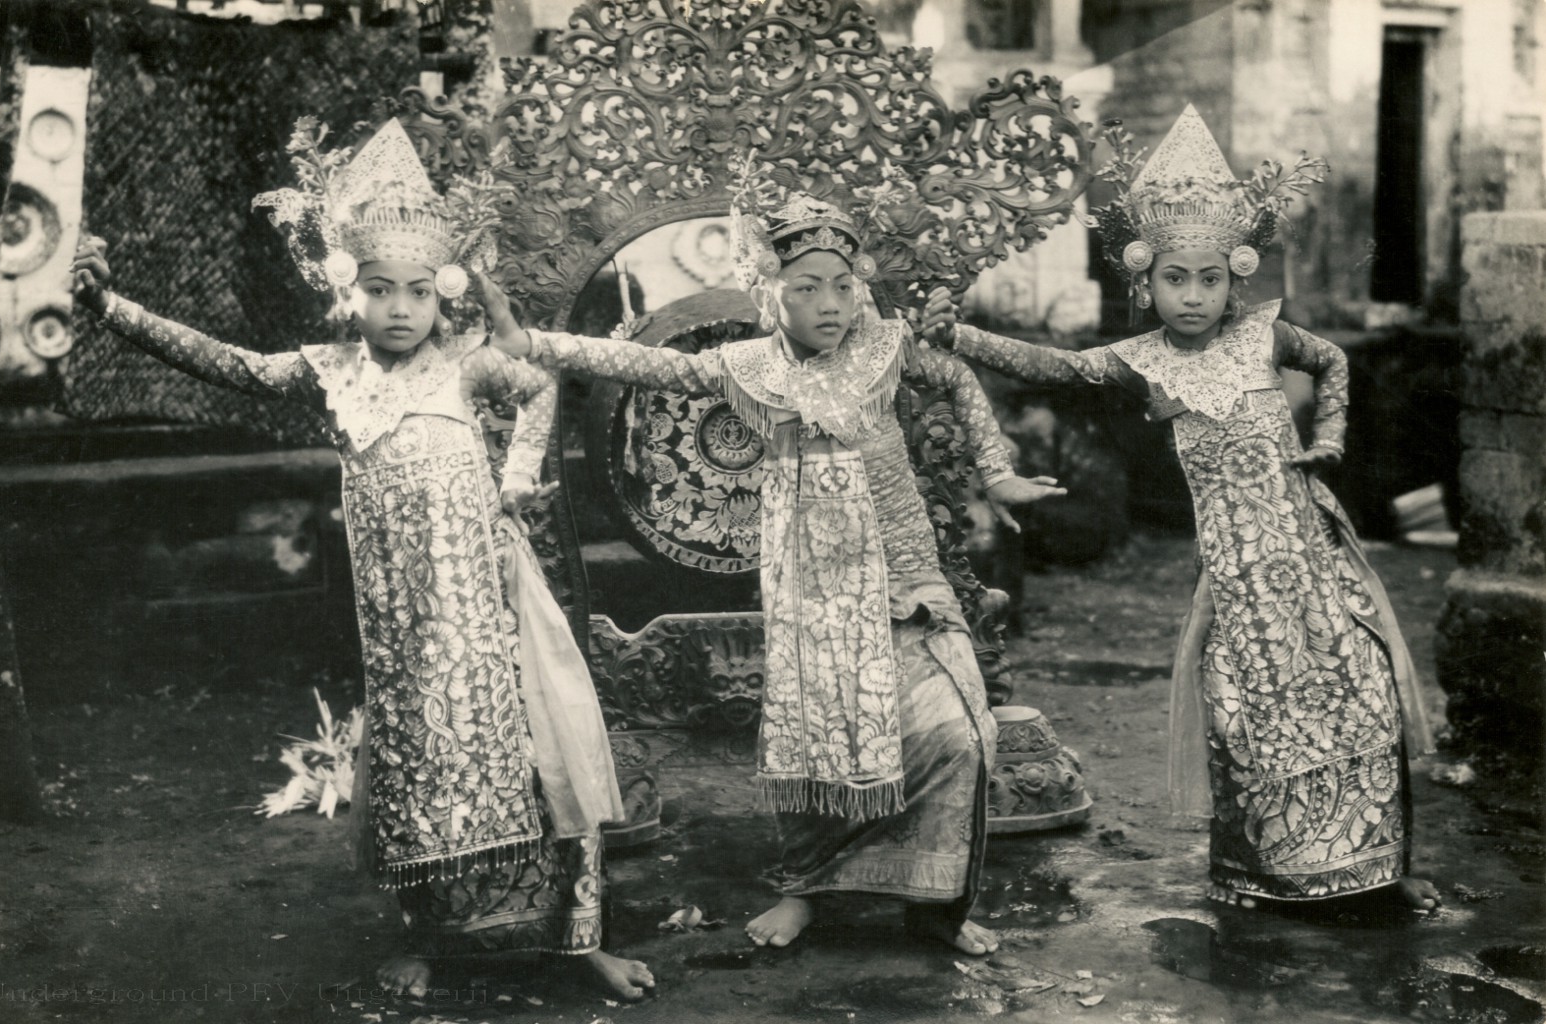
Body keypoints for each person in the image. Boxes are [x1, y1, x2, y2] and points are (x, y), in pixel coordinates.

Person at [69, 117, 655, 999]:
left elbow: (538, 389)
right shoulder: (330, 370)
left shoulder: (464, 363)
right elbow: (228, 364)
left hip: (488, 603)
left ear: (440, 293)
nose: (400, 310)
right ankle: (442, 940)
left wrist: (516, 479)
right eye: (380, 291)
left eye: (417, 292)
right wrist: (107, 308)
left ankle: (580, 941)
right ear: (351, 290)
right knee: (419, 768)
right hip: (402, 625)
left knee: (541, 753)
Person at [479, 177, 1067, 955]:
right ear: (773, 293)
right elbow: (648, 368)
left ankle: (936, 905)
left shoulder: (886, 348)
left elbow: (957, 378)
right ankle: (807, 889)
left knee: (962, 735)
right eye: (808, 287)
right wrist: (535, 346)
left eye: (842, 286)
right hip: (815, 585)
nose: (830, 302)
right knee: (820, 749)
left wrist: (996, 474)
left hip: (908, 576)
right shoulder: (750, 366)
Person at [923, 104, 1440, 912]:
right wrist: (960, 336)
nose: (1193, 297)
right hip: (1234, 574)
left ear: (1237, 275)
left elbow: (1334, 360)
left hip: (1312, 549)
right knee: (1243, 711)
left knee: (1358, 688)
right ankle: (1273, 874)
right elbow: (1052, 366)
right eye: (1174, 278)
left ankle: (1370, 870)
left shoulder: (1267, 338)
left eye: (1209, 279)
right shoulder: (1141, 363)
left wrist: (1330, 440)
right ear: (1146, 279)